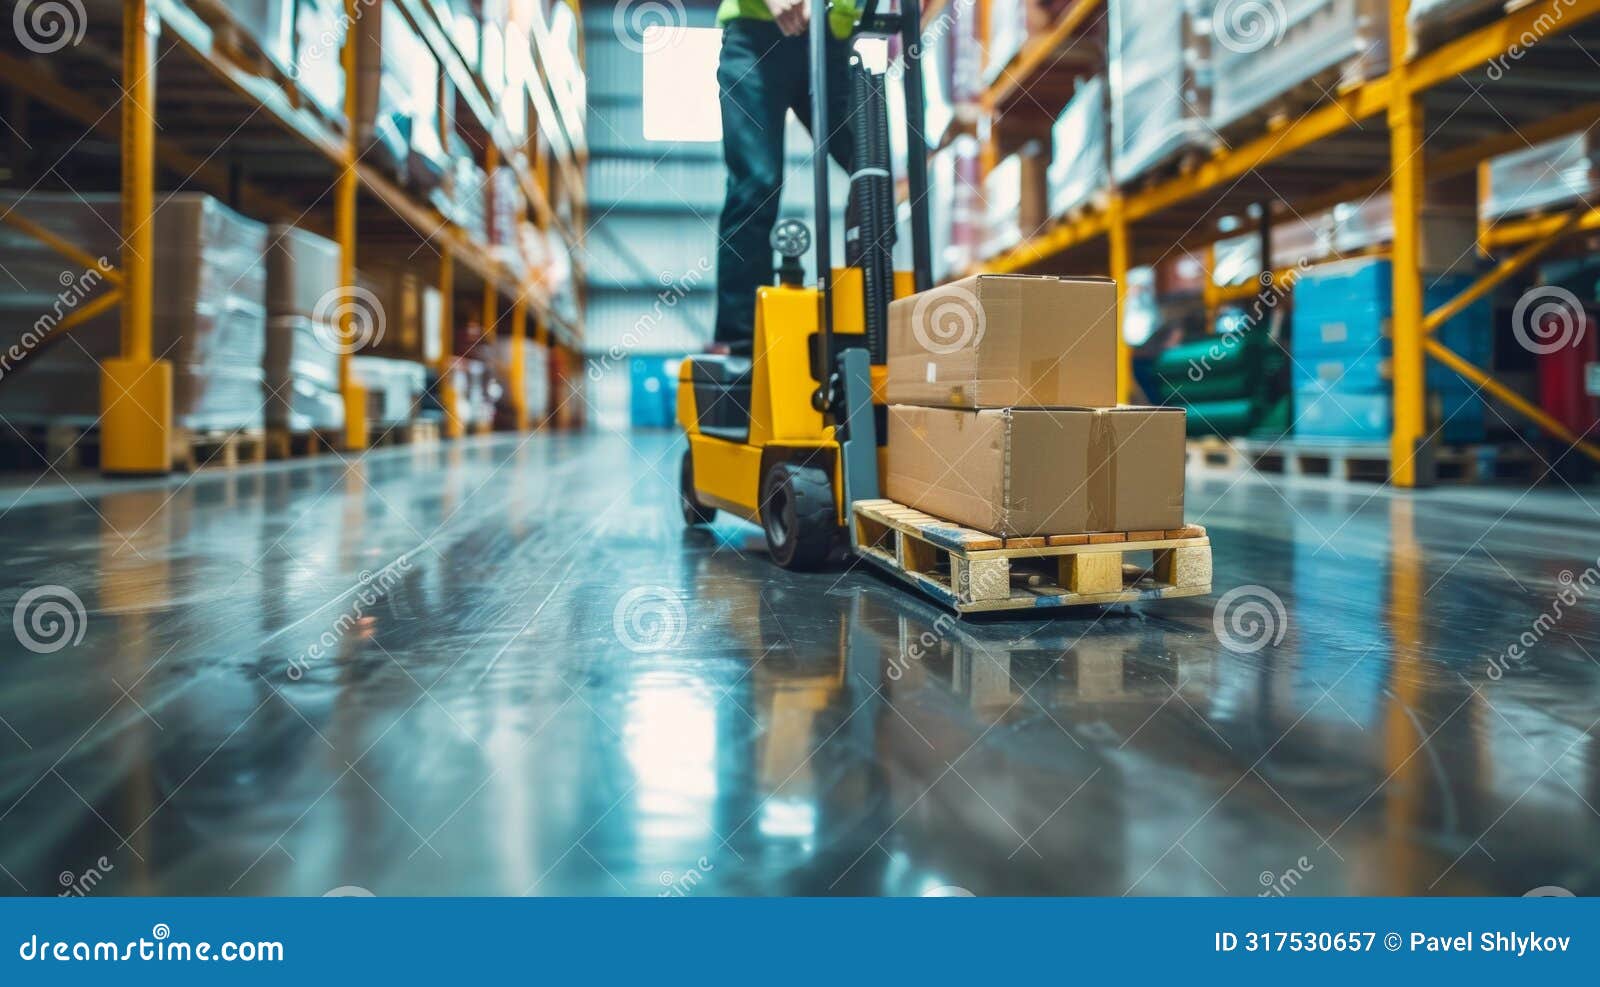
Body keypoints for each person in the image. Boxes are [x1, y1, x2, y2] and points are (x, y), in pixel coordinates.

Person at [713, 0, 858, 352]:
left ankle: (867, 314)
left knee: (871, 169)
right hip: (756, 34)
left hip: (833, 40)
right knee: (757, 182)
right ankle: (742, 339)